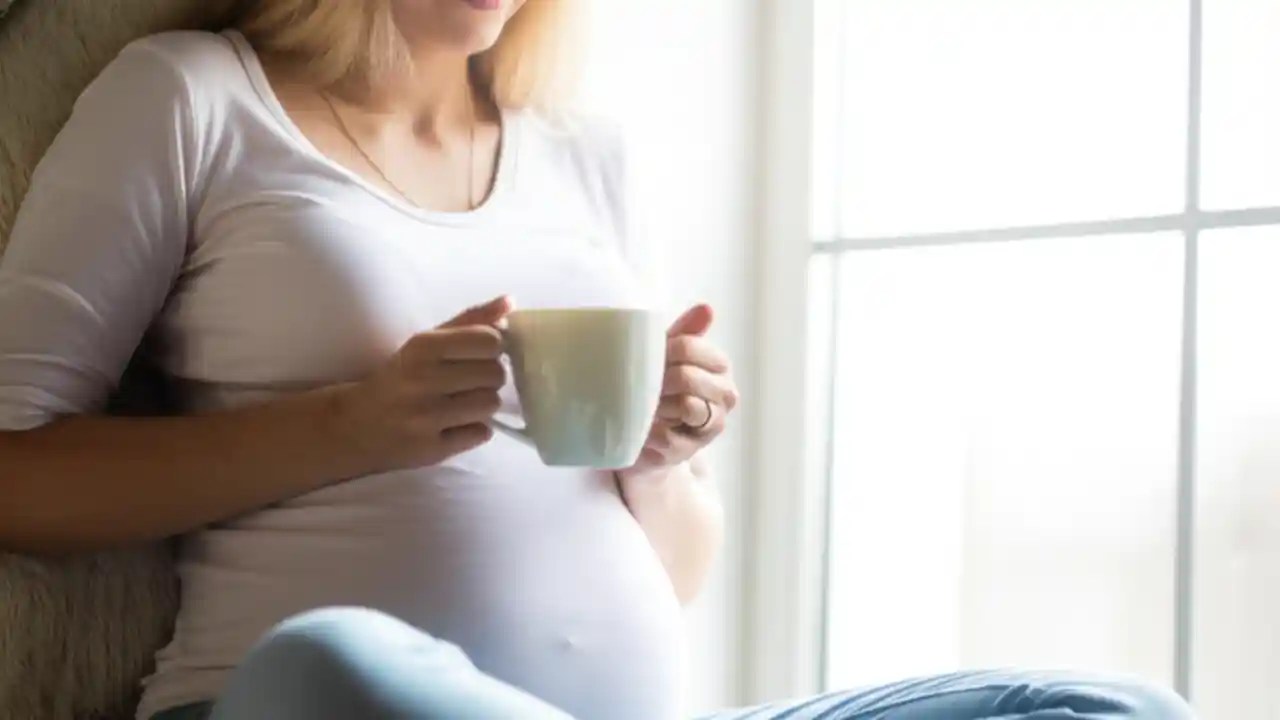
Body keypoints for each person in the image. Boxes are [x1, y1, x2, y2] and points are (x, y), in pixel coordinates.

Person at [0, 1, 1197, 718]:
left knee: (1106, 710)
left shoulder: (587, 155)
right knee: (329, 664)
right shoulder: (194, 99)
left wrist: (663, 462)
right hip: (319, 706)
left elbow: (666, 572)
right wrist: (348, 425)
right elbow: (16, 470)